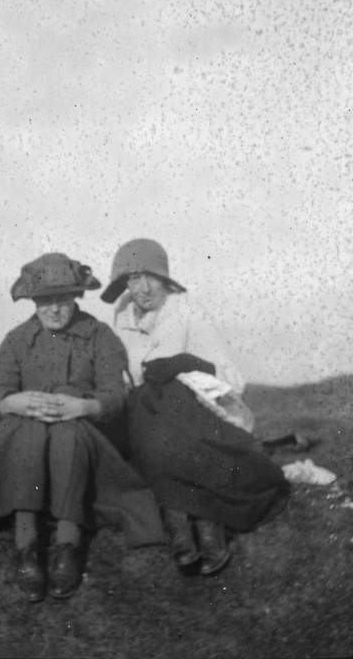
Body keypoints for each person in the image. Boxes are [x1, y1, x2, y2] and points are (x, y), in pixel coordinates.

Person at [0, 252, 164, 602]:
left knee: (67, 434)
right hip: (25, 432)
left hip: (82, 431)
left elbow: (116, 394)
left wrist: (84, 406)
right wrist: (15, 402)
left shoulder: (100, 336)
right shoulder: (17, 340)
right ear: (33, 301)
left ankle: (67, 544)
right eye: (45, 301)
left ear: (76, 297)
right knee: (29, 431)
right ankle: (26, 544)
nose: (55, 310)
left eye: (62, 300)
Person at [101, 238, 289, 576]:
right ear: (124, 284)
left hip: (193, 416)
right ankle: (187, 523)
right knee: (142, 405)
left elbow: (232, 379)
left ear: (165, 278)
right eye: (132, 279)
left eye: (150, 277)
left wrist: (185, 362)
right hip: (147, 423)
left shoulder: (184, 310)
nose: (142, 288)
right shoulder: (122, 316)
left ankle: (197, 523)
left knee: (166, 402)